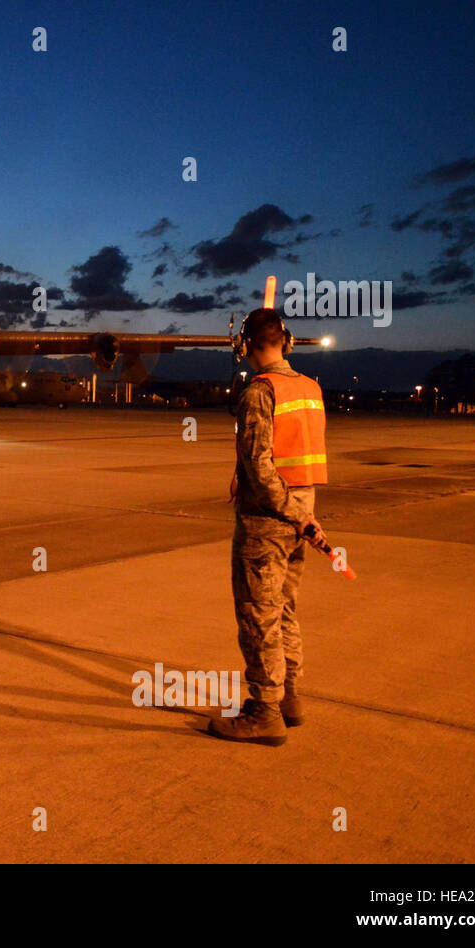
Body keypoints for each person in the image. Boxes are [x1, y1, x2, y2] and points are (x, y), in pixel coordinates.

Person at [207, 308, 328, 746]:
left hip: (268, 522)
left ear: (246, 345)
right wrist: (305, 516)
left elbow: (259, 468)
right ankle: (290, 699)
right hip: (303, 514)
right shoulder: (310, 388)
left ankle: (264, 713)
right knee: (285, 609)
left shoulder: (261, 392)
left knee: (259, 617)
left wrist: (291, 514)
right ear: (288, 341)